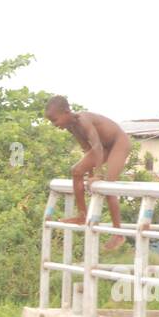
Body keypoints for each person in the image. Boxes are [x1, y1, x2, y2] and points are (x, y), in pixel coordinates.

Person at [45, 95, 132, 250]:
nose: (54, 125)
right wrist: (90, 174)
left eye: (55, 120)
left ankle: (118, 233)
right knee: (77, 171)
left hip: (118, 142)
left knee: (109, 186)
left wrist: (97, 175)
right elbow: (87, 149)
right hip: (103, 148)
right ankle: (82, 215)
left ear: (66, 112)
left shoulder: (83, 121)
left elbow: (97, 146)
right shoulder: (71, 127)